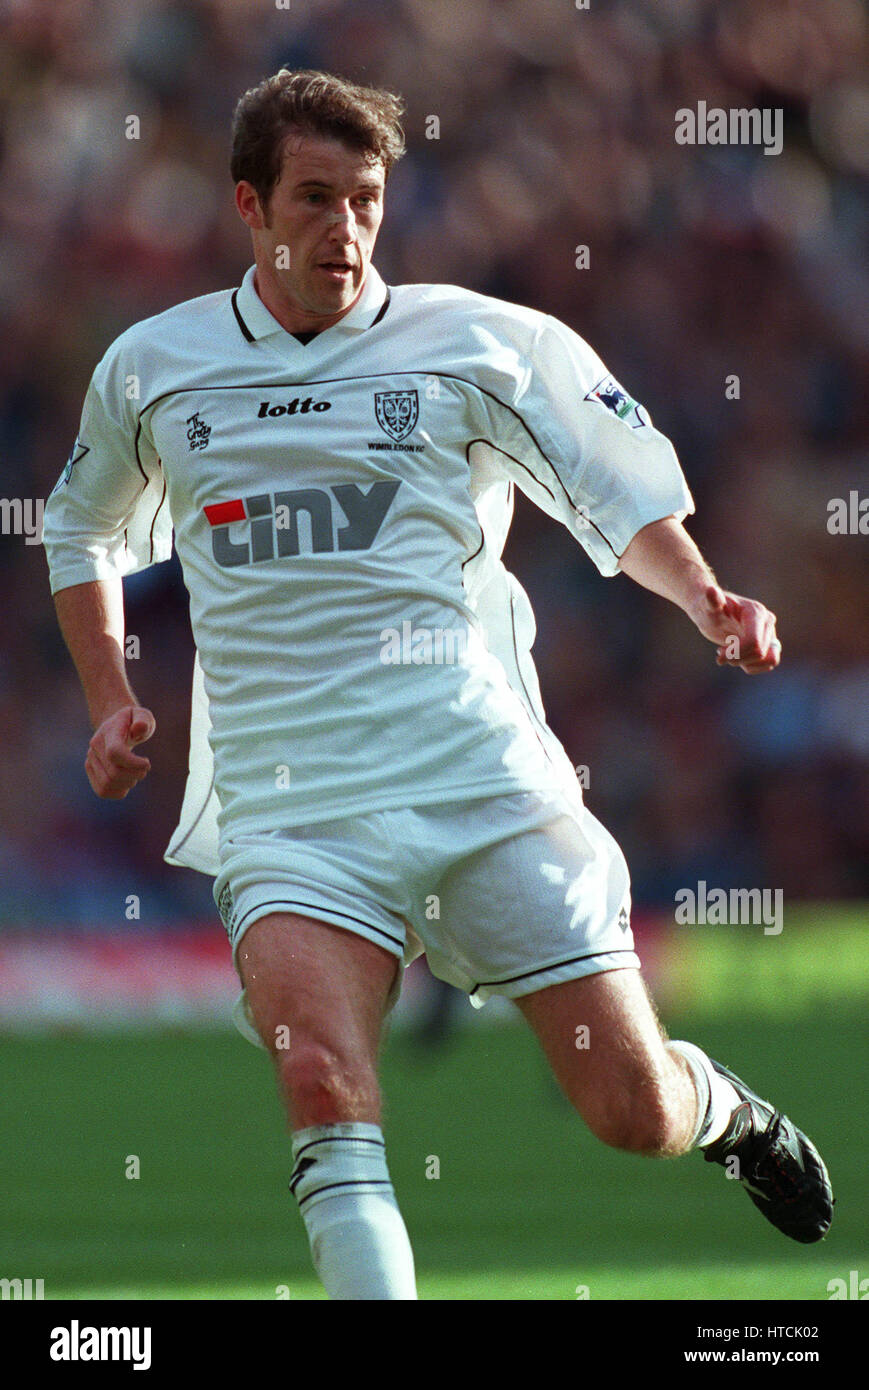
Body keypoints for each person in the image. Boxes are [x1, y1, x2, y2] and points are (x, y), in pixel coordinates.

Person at [43, 69, 833, 1301]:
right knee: (321, 1084)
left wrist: (705, 599)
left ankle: (721, 1111)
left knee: (627, 1112)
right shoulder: (157, 368)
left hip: (480, 784)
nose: (343, 228)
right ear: (248, 204)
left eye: (365, 199)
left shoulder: (481, 343)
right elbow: (79, 528)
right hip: (291, 810)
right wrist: (107, 692)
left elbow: (611, 491)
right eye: (313, 198)